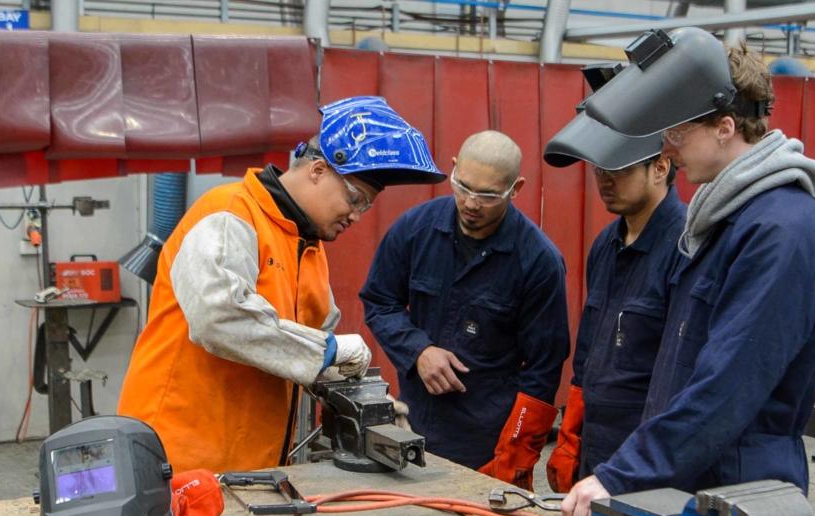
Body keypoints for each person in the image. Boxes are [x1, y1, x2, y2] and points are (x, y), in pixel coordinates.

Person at [562, 29, 815, 516]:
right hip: (687, 480)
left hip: (738, 496)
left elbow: (729, 386)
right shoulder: (718, 222)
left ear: (725, 127)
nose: (667, 148)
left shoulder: (784, 228)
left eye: (677, 133)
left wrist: (623, 475)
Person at [118, 96, 445, 474]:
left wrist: (367, 399)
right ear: (318, 170)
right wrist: (331, 350)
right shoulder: (229, 214)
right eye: (354, 199)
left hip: (252, 463)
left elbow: (297, 350)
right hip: (176, 458)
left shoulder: (309, 249)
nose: (356, 215)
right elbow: (219, 318)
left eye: (365, 207)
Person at [360, 131, 570, 489]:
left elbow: (543, 369)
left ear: (515, 189)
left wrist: (514, 455)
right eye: (463, 186)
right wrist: (418, 350)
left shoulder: (538, 261)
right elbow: (380, 300)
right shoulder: (415, 230)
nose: (471, 203)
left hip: (485, 443)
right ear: (454, 169)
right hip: (412, 426)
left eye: (488, 195)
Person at [542, 69, 687, 493]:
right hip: (597, 443)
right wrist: (572, 433)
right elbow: (589, 350)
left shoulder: (686, 248)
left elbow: (681, 372)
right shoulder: (606, 244)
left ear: (660, 167)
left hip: (646, 453)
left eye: (617, 169)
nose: (603, 179)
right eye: (598, 168)